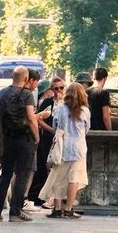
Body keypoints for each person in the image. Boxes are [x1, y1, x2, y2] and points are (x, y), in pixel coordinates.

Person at [0, 66, 39, 223]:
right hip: (24, 139)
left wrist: (2, 134)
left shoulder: (1, 94)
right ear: (26, 79)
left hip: (8, 139)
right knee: (22, 176)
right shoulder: (27, 95)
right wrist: (36, 137)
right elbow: (31, 118)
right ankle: (15, 212)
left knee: (6, 175)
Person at [41, 81, 90, 218]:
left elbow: (55, 126)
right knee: (74, 179)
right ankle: (68, 208)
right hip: (78, 148)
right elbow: (87, 129)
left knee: (58, 177)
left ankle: (57, 208)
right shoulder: (85, 111)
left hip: (61, 147)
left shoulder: (60, 108)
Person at [27, 76, 64, 207]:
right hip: (48, 138)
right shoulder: (48, 102)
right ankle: (47, 196)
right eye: (56, 88)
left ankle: (55, 197)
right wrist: (50, 130)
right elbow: (38, 117)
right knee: (47, 165)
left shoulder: (67, 103)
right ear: (52, 90)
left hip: (62, 139)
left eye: (61, 88)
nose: (59, 90)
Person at [87, 67, 114, 131]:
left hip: (88, 129)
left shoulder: (86, 91)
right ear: (105, 78)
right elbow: (106, 116)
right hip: (100, 129)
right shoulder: (104, 93)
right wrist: (110, 131)